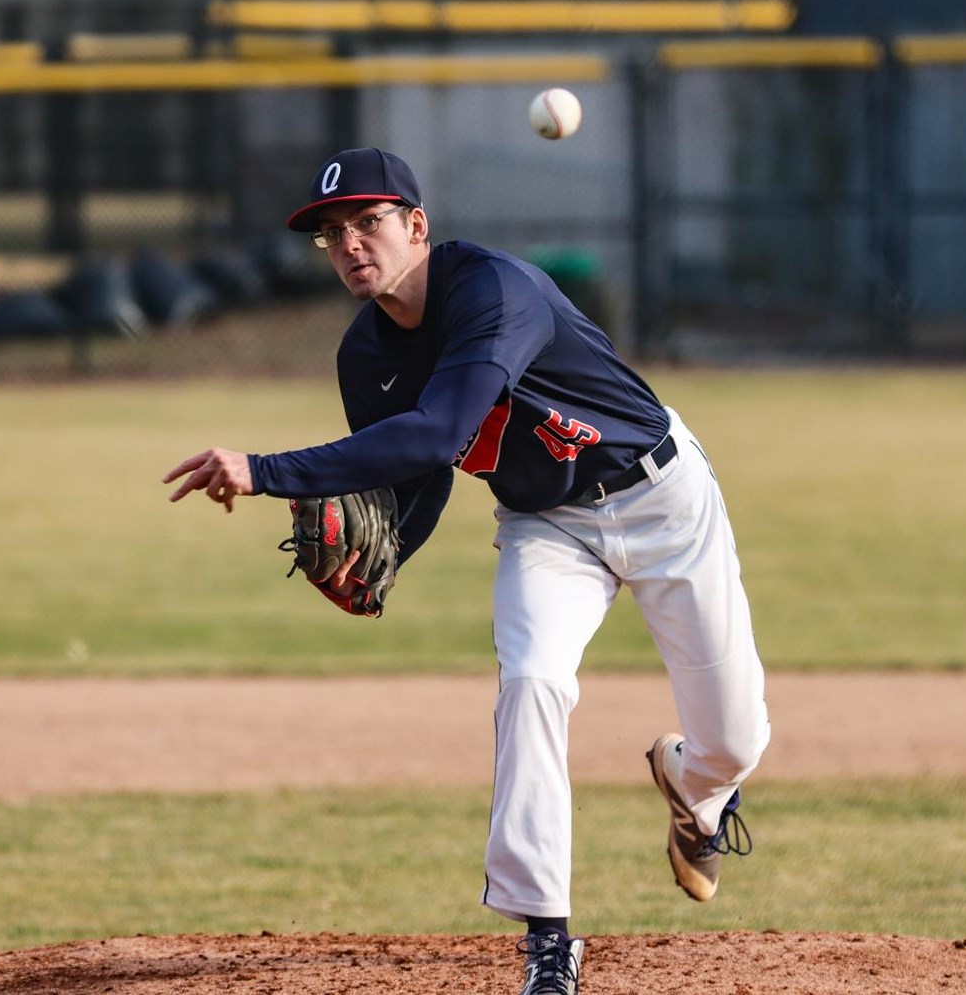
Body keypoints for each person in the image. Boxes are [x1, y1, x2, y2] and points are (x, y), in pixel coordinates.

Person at [163, 147, 770, 995]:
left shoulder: (493, 291)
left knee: (735, 741)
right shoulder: (363, 355)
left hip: (663, 499)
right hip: (546, 524)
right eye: (331, 232)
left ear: (415, 225)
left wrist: (265, 470)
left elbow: (439, 430)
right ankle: (547, 940)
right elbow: (420, 473)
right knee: (531, 683)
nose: (349, 244)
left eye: (367, 221)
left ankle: (696, 791)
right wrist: (386, 563)